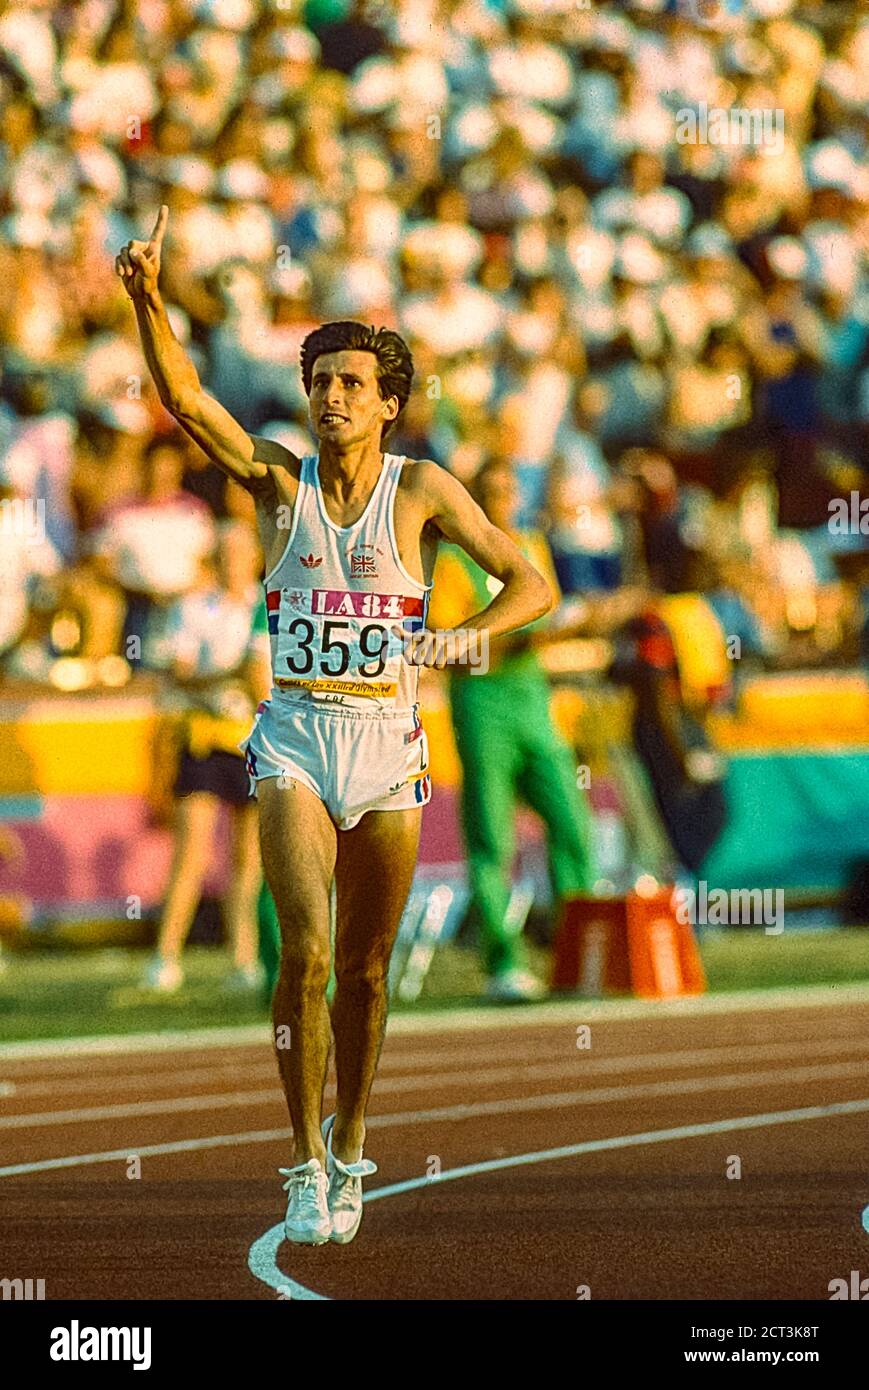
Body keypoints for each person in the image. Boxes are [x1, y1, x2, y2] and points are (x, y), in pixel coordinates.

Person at [115, 207, 552, 1246]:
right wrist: (146, 297)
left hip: (388, 746)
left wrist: (462, 635)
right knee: (303, 954)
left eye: (352, 383)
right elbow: (183, 400)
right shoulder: (278, 482)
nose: (330, 396)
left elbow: (530, 580)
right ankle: (303, 1161)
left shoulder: (422, 493)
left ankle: (352, 1137)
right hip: (296, 739)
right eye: (318, 381)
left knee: (362, 967)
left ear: (389, 404)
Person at [428, 458, 601, 1001]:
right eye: (491, 492)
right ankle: (503, 959)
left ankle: (574, 951)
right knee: (491, 837)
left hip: (533, 701)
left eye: (509, 491)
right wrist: (525, 640)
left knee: (573, 823)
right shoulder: (452, 563)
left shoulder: (530, 547)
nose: (503, 501)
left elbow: (546, 619)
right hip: (483, 704)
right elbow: (447, 648)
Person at [140, 520, 270, 994]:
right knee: (190, 850)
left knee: (248, 859)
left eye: (239, 552)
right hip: (203, 736)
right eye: (224, 552)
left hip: (252, 740)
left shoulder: (268, 606)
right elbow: (179, 675)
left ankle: (244, 959)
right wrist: (229, 675)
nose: (231, 561)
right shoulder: (193, 608)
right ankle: (165, 955)